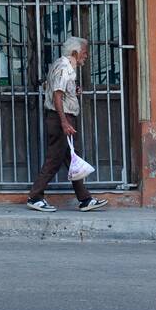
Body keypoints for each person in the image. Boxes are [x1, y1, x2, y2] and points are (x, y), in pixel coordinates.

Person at [27, 36, 109, 213]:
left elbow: (57, 91)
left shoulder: (64, 67)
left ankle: (85, 199)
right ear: (75, 53)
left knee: (72, 159)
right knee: (54, 159)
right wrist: (64, 122)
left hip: (62, 118)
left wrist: (74, 92)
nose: (86, 57)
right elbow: (57, 95)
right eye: (84, 53)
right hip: (60, 119)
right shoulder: (64, 68)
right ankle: (35, 196)